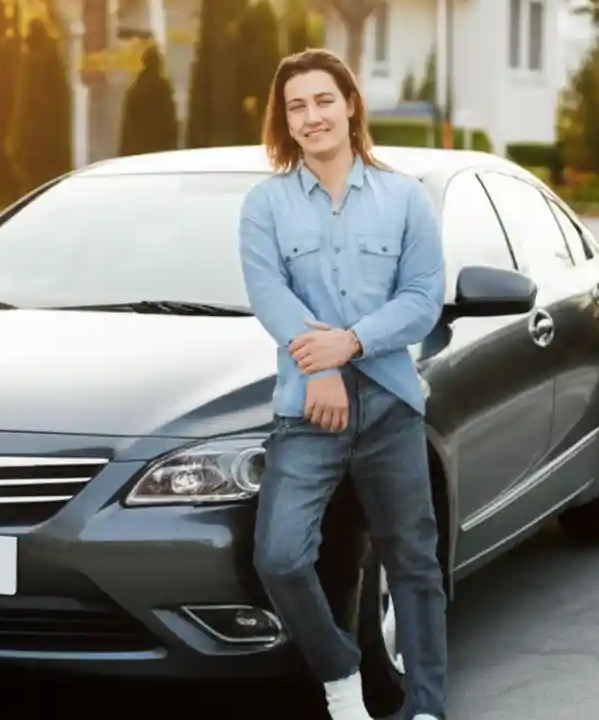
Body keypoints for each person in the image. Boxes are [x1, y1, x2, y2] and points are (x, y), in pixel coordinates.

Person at [237, 48, 448, 720]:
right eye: (296, 106)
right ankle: (339, 672)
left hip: (389, 406)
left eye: (323, 100)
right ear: (285, 120)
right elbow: (269, 296)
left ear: (350, 104)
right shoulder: (264, 206)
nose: (312, 116)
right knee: (280, 557)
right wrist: (322, 367)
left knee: (413, 562)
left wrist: (352, 343)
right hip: (307, 410)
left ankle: (426, 706)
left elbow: (422, 299)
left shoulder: (405, 198)